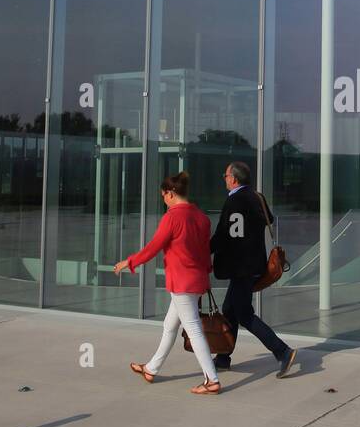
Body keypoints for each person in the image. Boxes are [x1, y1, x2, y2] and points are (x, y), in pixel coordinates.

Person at [118, 173, 221, 395]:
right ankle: (151, 369)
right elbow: (205, 253)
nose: (163, 199)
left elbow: (154, 246)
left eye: (164, 195)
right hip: (196, 280)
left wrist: (130, 261)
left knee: (193, 329)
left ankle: (212, 380)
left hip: (182, 282)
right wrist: (206, 276)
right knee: (170, 325)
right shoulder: (202, 218)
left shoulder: (172, 217)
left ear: (171, 193)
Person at [209, 161, 298, 378]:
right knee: (230, 309)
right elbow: (267, 219)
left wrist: (206, 250)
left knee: (244, 314)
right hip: (254, 264)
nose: (224, 178)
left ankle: (282, 351)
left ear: (234, 179)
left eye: (226, 175)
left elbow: (224, 235)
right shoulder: (257, 197)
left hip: (240, 267)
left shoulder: (234, 201)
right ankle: (223, 358)